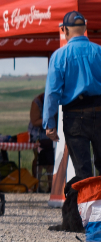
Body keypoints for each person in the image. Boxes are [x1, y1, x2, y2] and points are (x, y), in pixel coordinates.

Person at [43, 11, 101, 181]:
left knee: (82, 171)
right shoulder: (99, 51)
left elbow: (52, 93)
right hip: (99, 112)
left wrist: (49, 123)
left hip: (74, 116)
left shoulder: (60, 56)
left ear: (65, 30)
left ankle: (87, 206)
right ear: (85, 29)